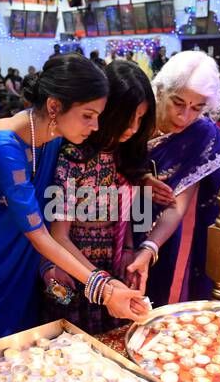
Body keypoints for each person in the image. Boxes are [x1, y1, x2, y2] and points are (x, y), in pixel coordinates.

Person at [0, 54, 150, 343]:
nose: (96, 126)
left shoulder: (52, 139)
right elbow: (41, 235)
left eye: (98, 116)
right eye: (88, 115)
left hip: (26, 254)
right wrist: (104, 290)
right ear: (54, 106)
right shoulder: (5, 146)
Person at [41, 59, 158, 334]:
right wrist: (99, 282)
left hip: (113, 261)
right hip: (75, 265)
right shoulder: (74, 156)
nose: (132, 128)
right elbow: (59, 235)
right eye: (127, 118)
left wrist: (128, 249)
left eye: (140, 119)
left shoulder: (124, 154)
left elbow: (127, 212)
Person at [135, 51, 220, 304]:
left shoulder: (201, 134)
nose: (185, 116)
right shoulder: (136, 113)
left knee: (149, 304)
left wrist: (149, 248)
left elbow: (176, 204)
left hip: (160, 233)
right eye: (178, 103)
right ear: (160, 90)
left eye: (197, 108)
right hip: (111, 222)